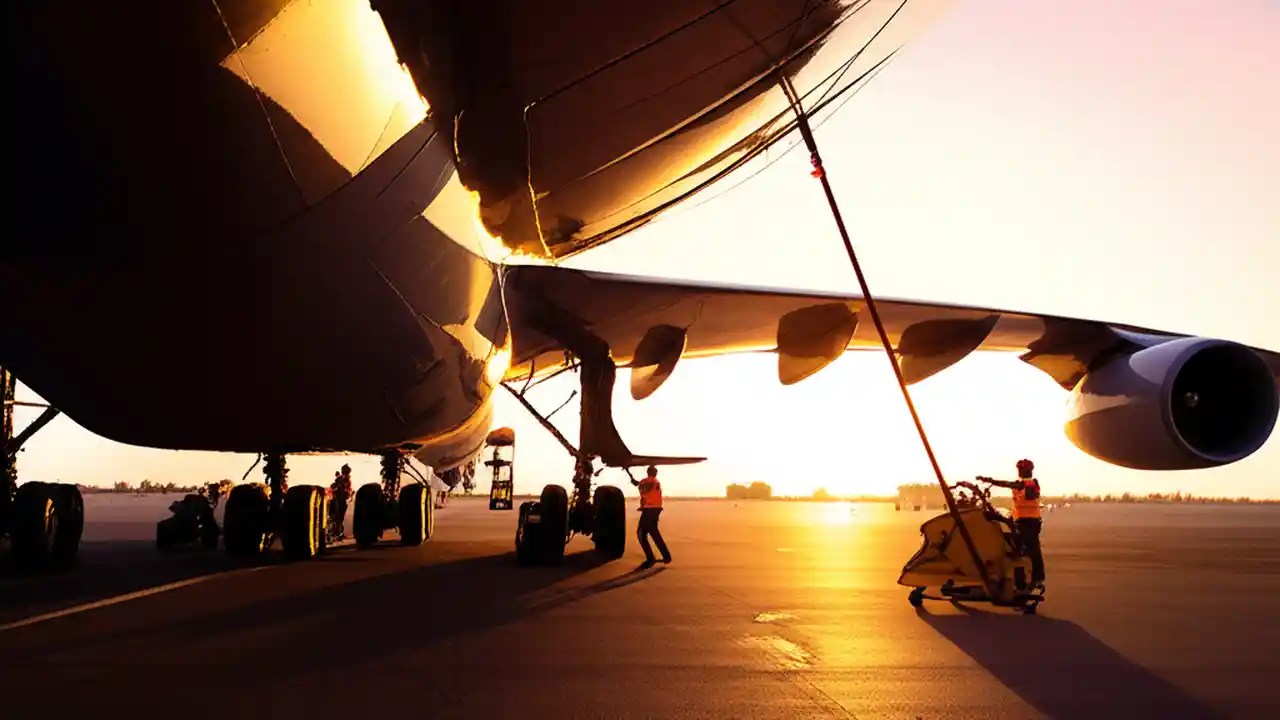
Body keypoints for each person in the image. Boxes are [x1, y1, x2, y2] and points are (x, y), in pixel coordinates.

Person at [983, 458, 1045, 591]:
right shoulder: (1021, 485)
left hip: (1029, 522)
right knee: (1024, 549)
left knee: (1026, 551)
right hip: (1022, 520)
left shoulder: (1030, 483)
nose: (1020, 472)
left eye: (1021, 469)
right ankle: (1031, 579)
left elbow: (1017, 487)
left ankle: (1033, 580)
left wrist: (992, 481)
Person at [631, 465, 671, 568]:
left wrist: (637, 484)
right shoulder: (655, 481)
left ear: (648, 472)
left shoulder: (649, 481)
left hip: (650, 510)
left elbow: (644, 489)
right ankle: (665, 556)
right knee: (653, 533)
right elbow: (643, 486)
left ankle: (651, 559)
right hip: (654, 509)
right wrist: (636, 483)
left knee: (642, 534)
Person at [330, 464, 353, 539]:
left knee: (340, 518)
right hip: (339, 500)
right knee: (338, 517)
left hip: (343, 500)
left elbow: (348, 489)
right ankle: (337, 533)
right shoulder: (340, 480)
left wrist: (349, 493)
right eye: (347, 472)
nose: (348, 474)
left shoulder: (346, 480)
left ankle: (339, 532)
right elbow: (334, 488)